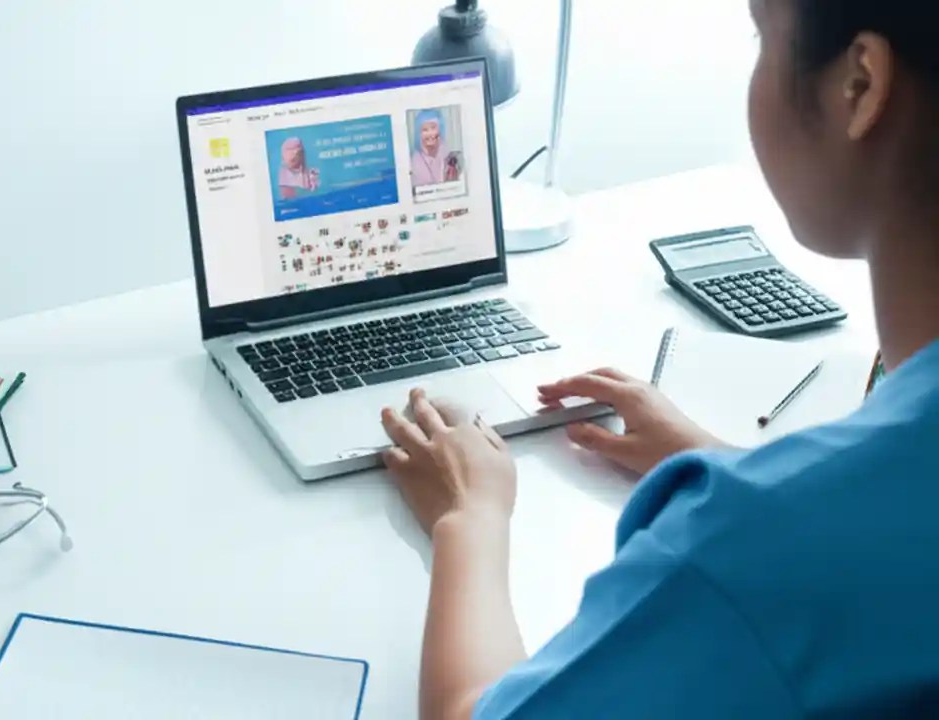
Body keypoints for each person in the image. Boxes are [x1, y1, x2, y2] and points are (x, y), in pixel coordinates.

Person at [380, 1, 939, 718]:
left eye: (759, 37)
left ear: (860, 85)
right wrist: (721, 460)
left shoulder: (749, 555)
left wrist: (470, 515)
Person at [411, 110, 460, 187]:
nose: (430, 134)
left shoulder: (447, 152)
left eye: (433, 128)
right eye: (425, 130)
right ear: (419, 134)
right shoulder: (414, 161)